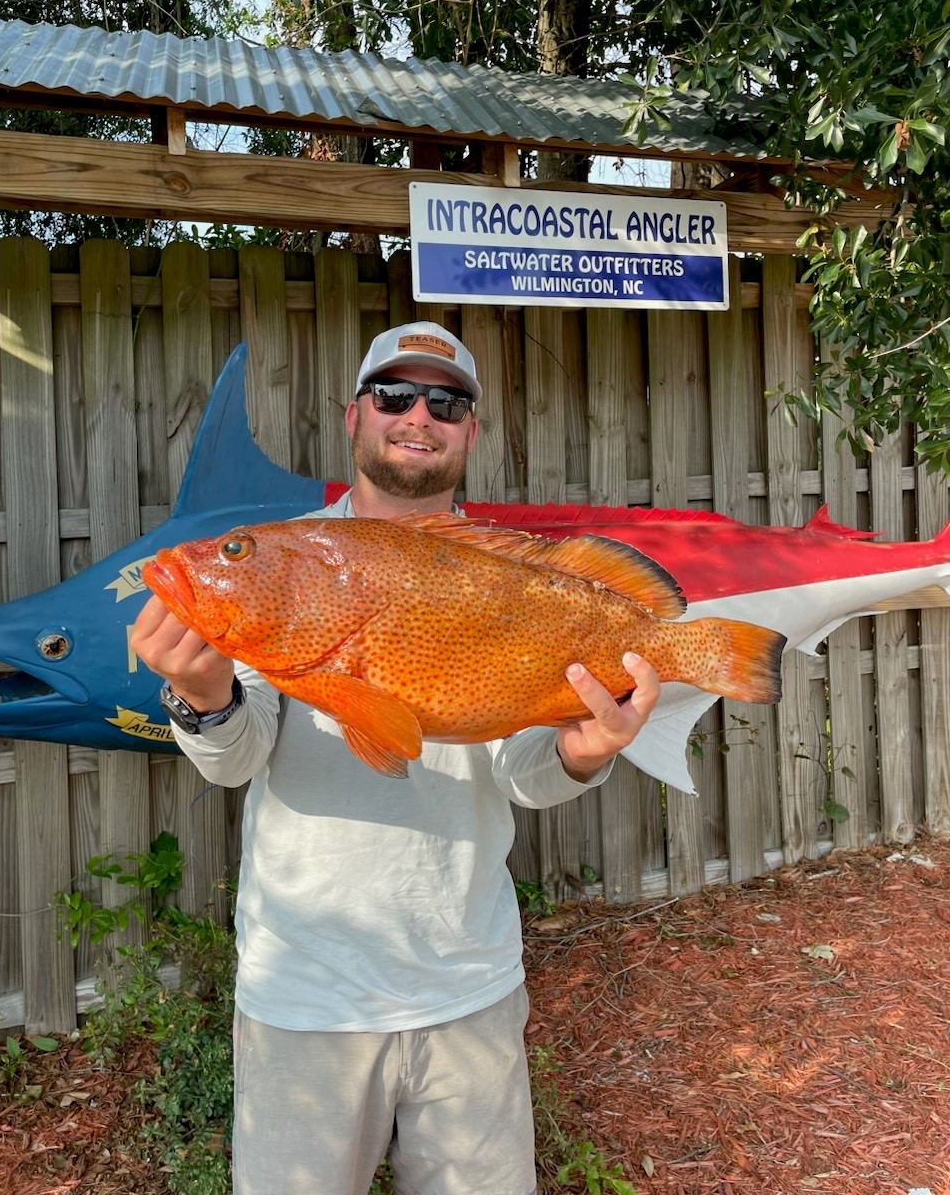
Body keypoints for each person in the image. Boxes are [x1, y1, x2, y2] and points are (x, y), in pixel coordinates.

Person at [131, 320, 661, 1195]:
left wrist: (582, 753)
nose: (419, 416)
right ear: (355, 415)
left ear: (470, 432)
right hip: (305, 996)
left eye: (446, 403)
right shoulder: (292, 555)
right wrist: (204, 695)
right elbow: (235, 758)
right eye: (395, 394)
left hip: (468, 988)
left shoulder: (507, 577)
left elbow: (524, 775)